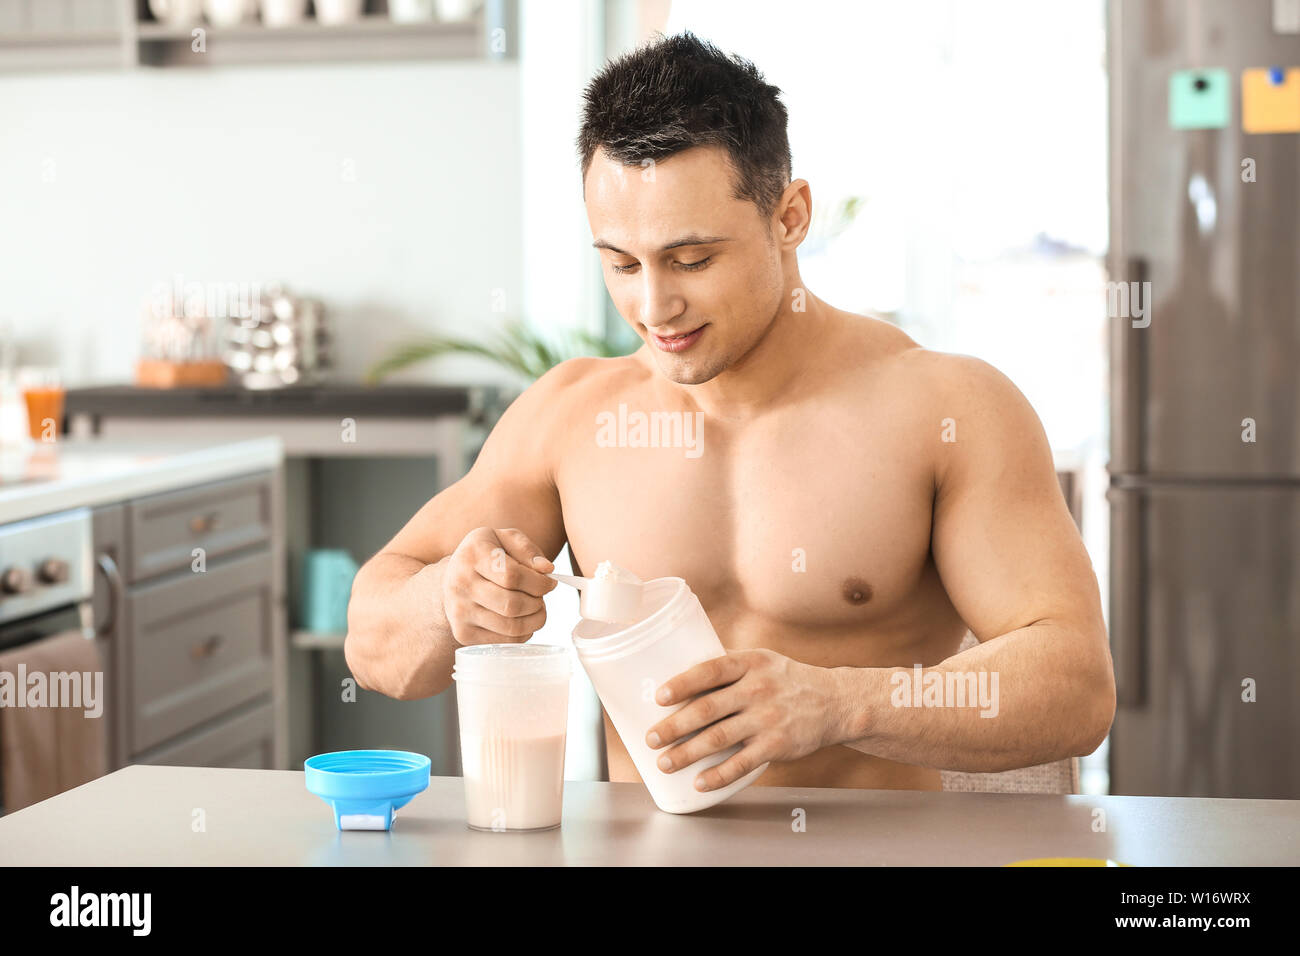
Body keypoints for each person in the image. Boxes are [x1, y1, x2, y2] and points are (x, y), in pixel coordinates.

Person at [345, 32, 1115, 794]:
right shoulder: (571, 418)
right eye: (621, 263)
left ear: (790, 217)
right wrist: (449, 596)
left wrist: (841, 702)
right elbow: (374, 648)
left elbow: (1077, 687)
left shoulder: (948, 410)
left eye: (692, 260)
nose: (654, 306)